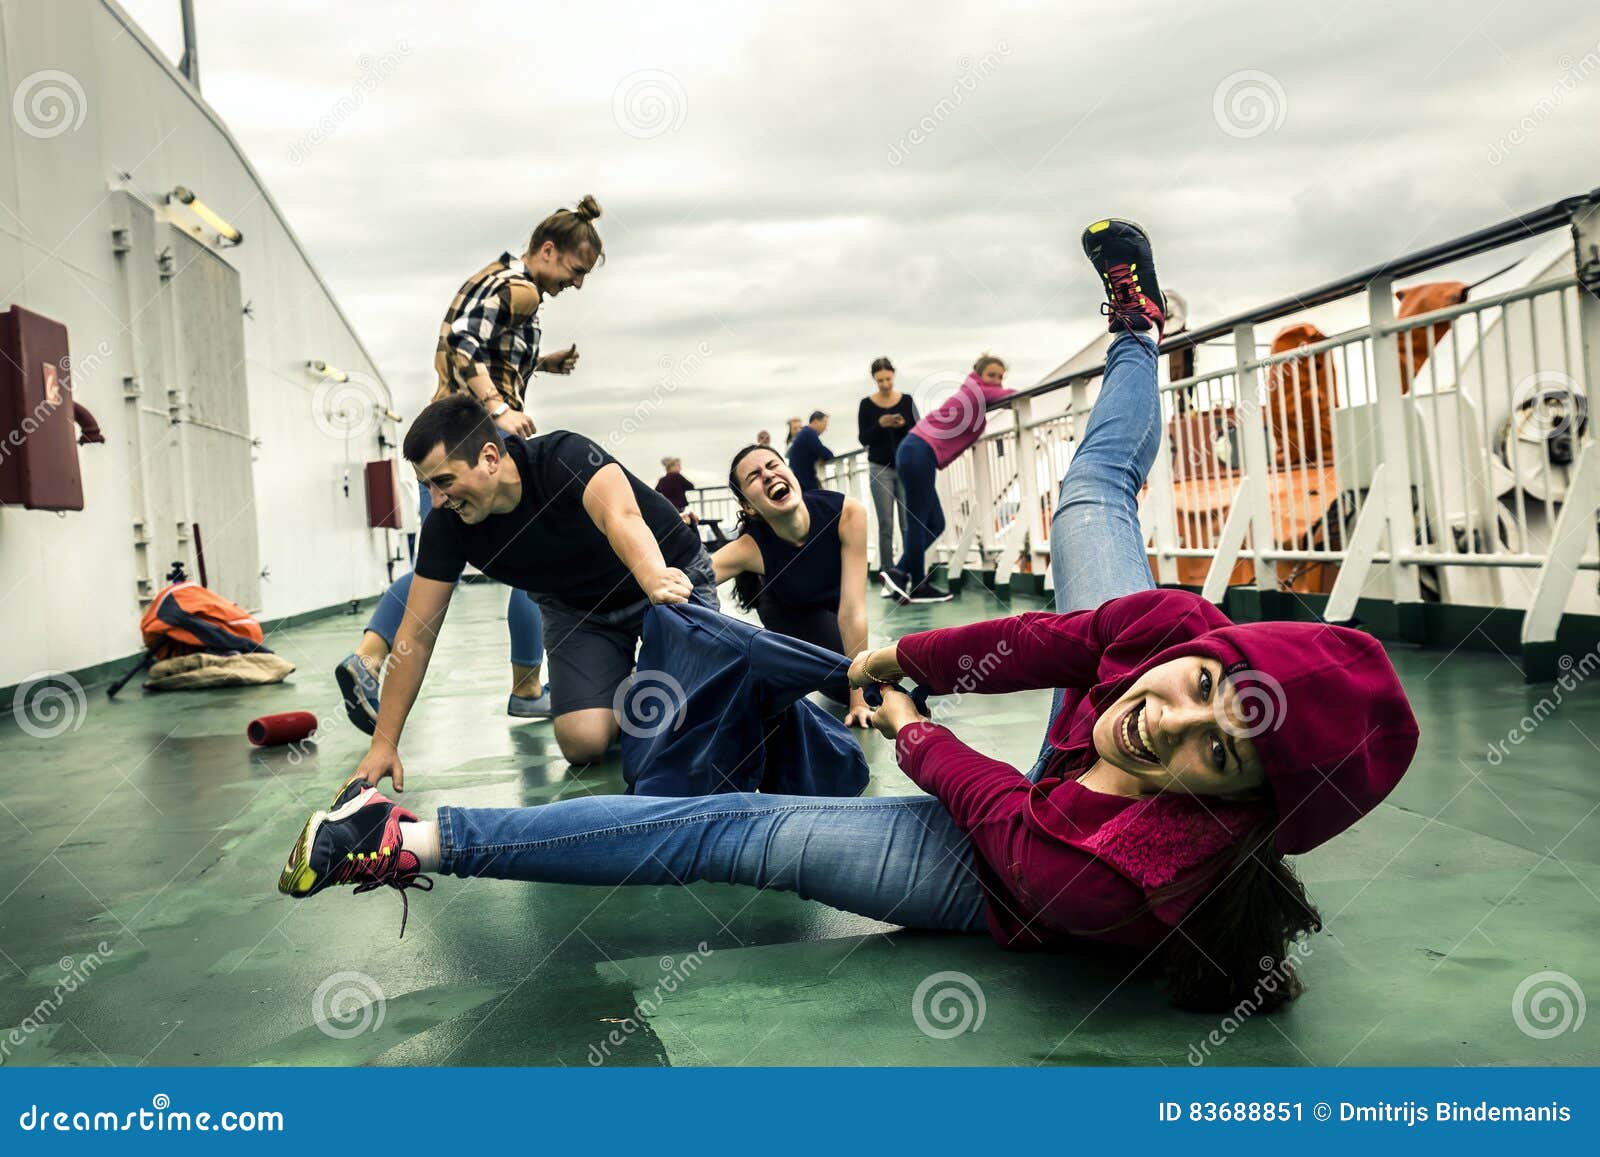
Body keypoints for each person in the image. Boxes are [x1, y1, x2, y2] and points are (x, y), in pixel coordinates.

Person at [279, 219, 1418, 1013]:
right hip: (1017, 776)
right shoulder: (1166, 642)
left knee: (732, 830)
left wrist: (910, 725)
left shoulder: (1131, 873)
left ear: (1245, 803)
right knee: (1090, 491)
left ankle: (406, 839)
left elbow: (1003, 817)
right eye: (1205, 687)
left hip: (1003, 874)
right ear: (1211, 652)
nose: (1163, 721)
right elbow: (1046, 643)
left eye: (1215, 752)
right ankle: (1137, 331)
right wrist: (898, 659)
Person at [334, 196, 602, 730]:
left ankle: (371, 657)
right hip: (470, 448)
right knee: (509, 564)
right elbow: (463, 344)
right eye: (575, 270)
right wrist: (500, 409)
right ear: (547, 250)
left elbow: (483, 347)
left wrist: (542, 365)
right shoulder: (517, 287)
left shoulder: (503, 285)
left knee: (449, 561)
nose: (576, 284)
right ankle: (520, 686)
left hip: (451, 439)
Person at [349, 393, 718, 772]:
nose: (437, 499)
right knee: (582, 742)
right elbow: (418, 634)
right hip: (578, 609)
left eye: (444, 481)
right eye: (427, 485)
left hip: (665, 580)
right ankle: (629, 680)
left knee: (688, 720)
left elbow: (620, 517)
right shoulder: (447, 525)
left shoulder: (565, 456)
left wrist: (655, 579)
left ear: (490, 458)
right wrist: (384, 744)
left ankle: (650, 675)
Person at [710, 444, 871, 725]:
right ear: (748, 506)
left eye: (773, 466)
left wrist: (861, 700)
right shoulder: (750, 547)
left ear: (790, 472)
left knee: (877, 684)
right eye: (755, 476)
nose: (768, 475)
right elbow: (693, 577)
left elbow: (853, 611)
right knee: (846, 682)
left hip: (836, 611)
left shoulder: (846, 513)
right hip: (790, 614)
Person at [879, 355, 1016, 604]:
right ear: (978, 374)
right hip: (919, 451)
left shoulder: (972, 391)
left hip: (916, 450)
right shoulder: (977, 391)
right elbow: (1009, 395)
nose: (996, 381)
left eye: (1000, 377)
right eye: (992, 375)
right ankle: (918, 585)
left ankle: (899, 573)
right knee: (919, 521)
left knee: (936, 523)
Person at [857, 356, 917, 593]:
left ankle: (907, 571)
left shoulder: (907, 400)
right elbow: (863, 438)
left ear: (894, 374)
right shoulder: (866, 404)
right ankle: (887, 575)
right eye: (880, 380)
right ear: (874, 379)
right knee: (885, 525)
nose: (885, 384)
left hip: (904, 466)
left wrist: (902, 424)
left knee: (907, 524)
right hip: (879, 468)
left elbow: (916, 431)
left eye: (888, 379)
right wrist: (880, 424)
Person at [786, 410, 834, 493]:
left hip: (800, 480)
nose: (825, 428)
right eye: (824, 424)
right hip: (805, 482)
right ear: (816, 421)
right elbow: (826, 454)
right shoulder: (808, 434)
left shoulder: (805, 433)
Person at [654, 456, 697, 524]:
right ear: (672, 467)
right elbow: (691, 486)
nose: (680, 468)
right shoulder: (678, 476)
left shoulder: (662, 480)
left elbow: (656, 491)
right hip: (679, 506)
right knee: (683, 522)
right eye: (678, 465)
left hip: (668, 506)